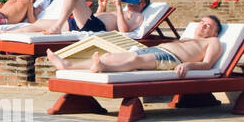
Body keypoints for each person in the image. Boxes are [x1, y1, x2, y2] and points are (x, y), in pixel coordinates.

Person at [48, 15, 223, 78]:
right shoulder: (188, 38)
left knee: (135, 59)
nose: (203, 26)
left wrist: (188, 65)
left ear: (215, 33)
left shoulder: (213, 42)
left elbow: (207, 65)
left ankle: (103, 67)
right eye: (202, 22)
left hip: (171, 59)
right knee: (109, 55)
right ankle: (67, 64)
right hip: (158, 51)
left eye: (208, 26)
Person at [18, 0, 149, 35]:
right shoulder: (125, 11)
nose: (132, 0)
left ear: (142, 4)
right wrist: (101, 7)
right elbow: (99, 16)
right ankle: (2, 34)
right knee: (39, 23)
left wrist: (119, 7)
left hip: (96, 26)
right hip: (89, 22)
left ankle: (57, 26)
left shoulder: (137, 16)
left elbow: (124, 30)